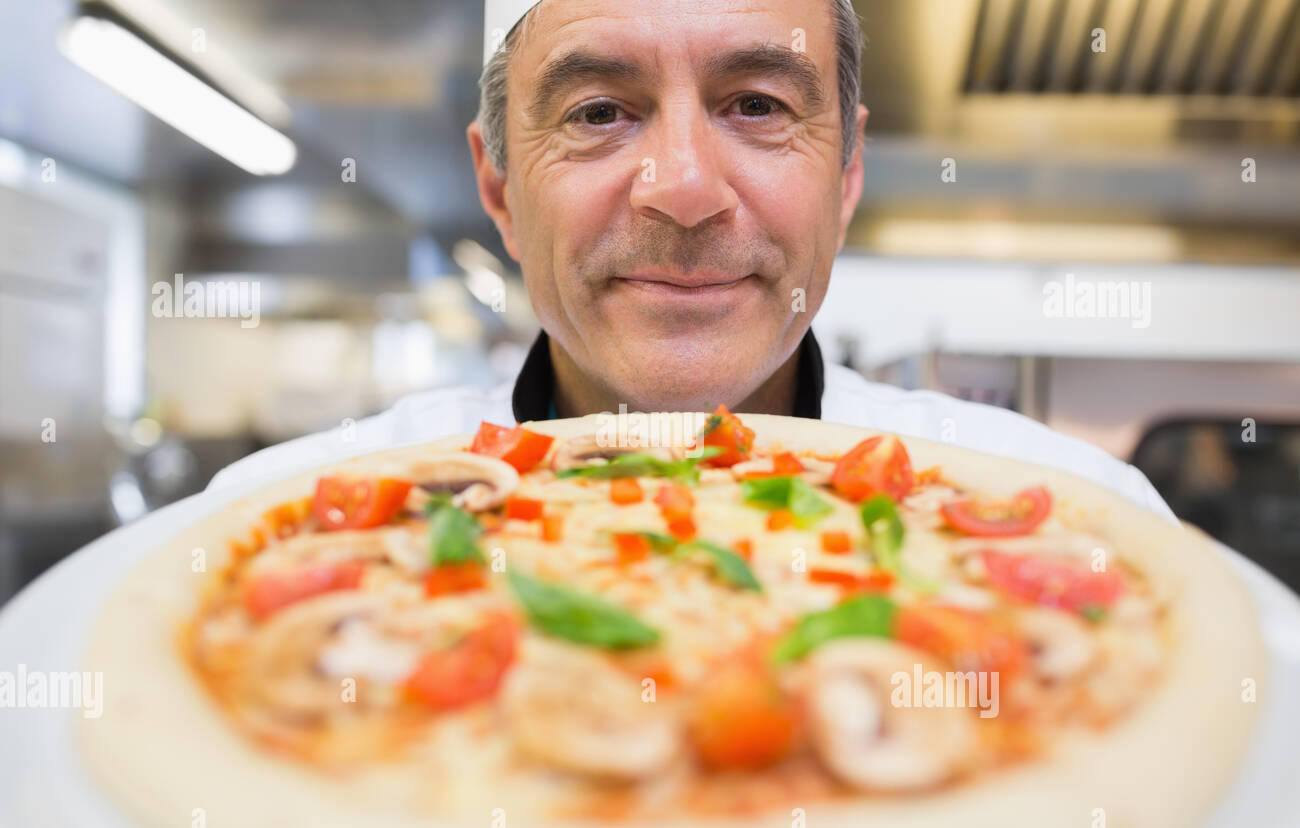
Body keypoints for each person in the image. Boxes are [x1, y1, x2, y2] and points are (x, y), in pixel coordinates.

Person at [209, 0, 1172, 521]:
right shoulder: (292, 520)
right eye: (597, 112)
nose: (683, 188)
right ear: (499, 190)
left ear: (844, 178)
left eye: (757, 104)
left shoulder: (1065, 520)